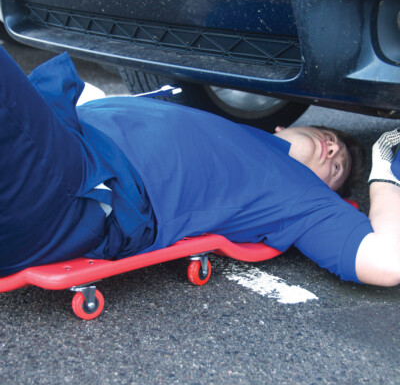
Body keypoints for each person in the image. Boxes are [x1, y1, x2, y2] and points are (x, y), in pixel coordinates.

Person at [0, 47, 399, 287]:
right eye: (329, 135)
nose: (334, 149)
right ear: (283, 126)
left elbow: (387, 262)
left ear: (328, 193)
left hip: (79, 188)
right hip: (64, 138)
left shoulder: (302, 199)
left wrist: (384, 160)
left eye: (338, 168)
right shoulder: (227, 127)